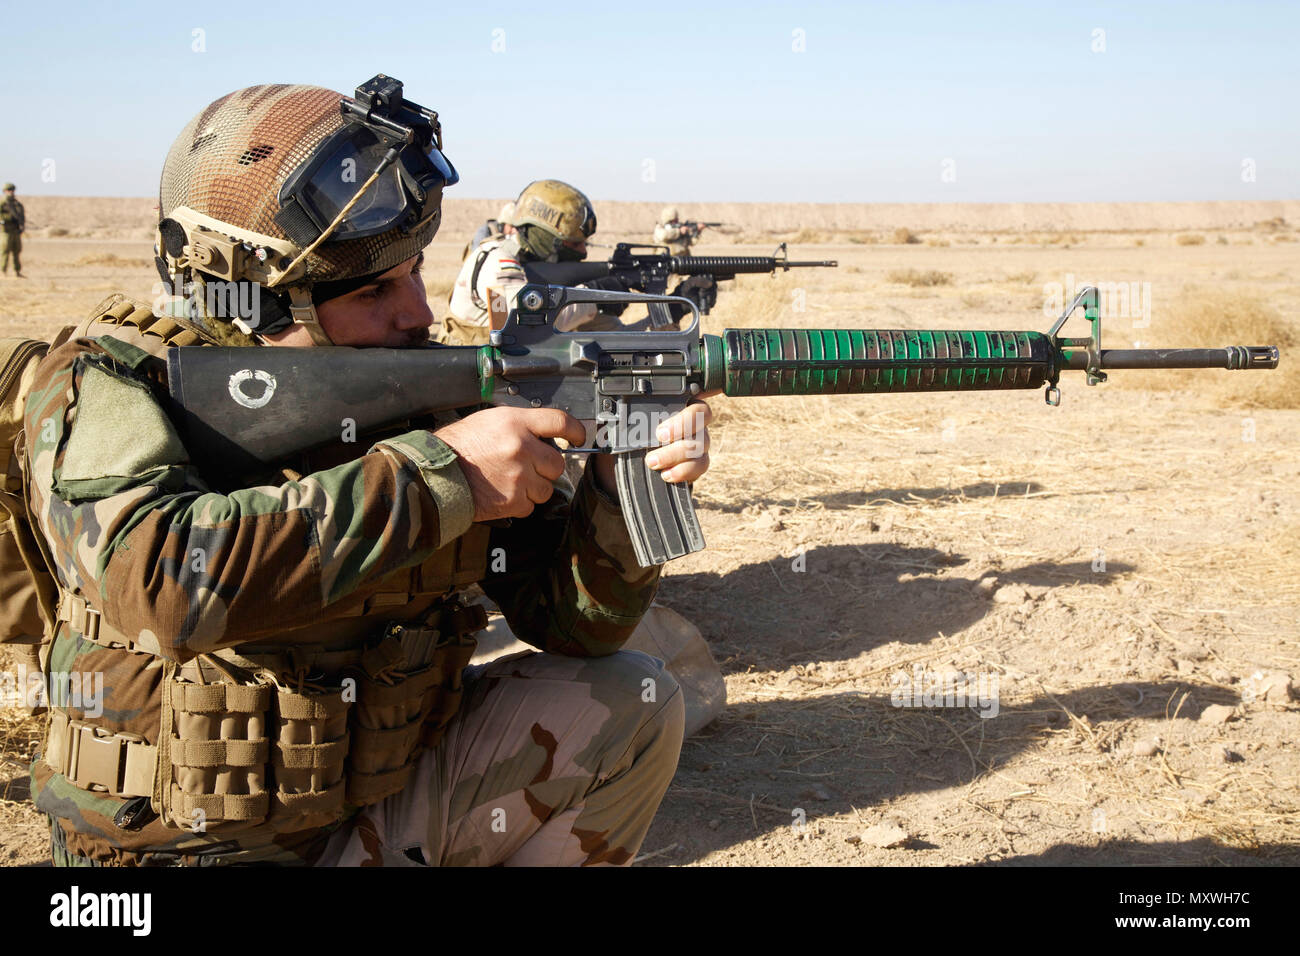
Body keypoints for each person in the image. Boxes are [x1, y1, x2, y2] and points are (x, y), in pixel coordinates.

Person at [23, 76, 713, 867]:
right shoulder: (108, 384)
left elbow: (574, 626)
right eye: (376, 289)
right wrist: (440, 476)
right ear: (253, 298)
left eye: (417, 272)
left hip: (367, 814)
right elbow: (164, 584)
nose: (419, 312)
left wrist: (624, 489)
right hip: (178, 853)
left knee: (635, 701)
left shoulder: (414, 383)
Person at [442, 179, 615, 345]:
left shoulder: (531, 263)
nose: (583, 252)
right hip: (469, 370)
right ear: (545, 239)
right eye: (574, 243)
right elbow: (529, 326)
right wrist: (594, 296)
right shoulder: (497, 261)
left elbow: (614, 336)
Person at [1, 183, 24, 277]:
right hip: (6, 231)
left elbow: (22, 216)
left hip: (16, 231)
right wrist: (8, 218)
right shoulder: (2, 204)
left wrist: (22, 225)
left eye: (12, 190)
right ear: (5, 191)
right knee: (5, 251)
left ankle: (17, 271)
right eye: (9, 190)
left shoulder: (17, 204)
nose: (11, 192)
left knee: (17, 251)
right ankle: (3, 271)